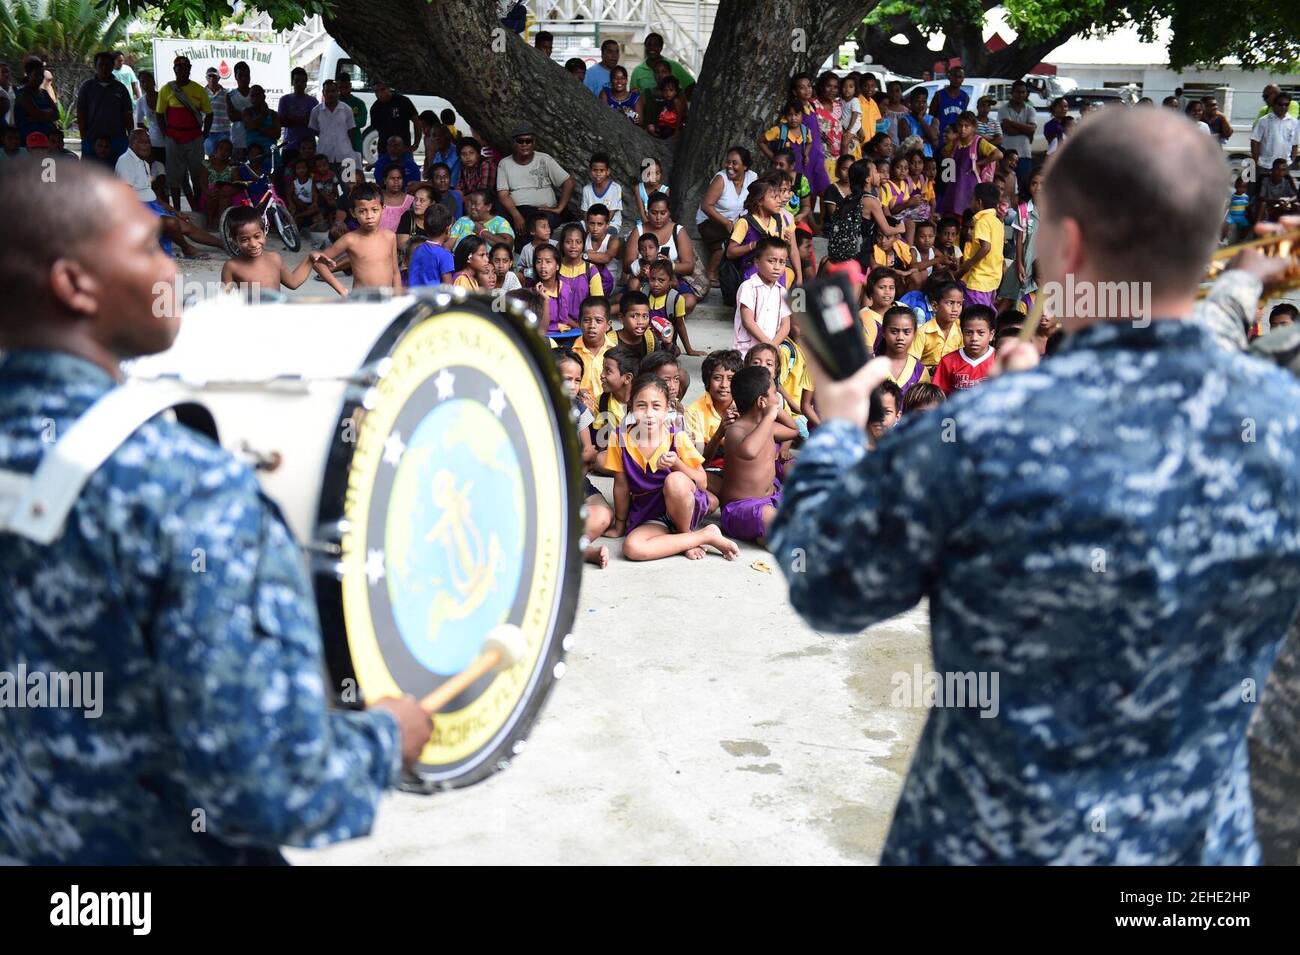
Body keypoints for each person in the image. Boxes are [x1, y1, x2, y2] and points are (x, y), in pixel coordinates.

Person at [772, 105, 1300, 865]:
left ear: (1071, 244)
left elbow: (823, 581)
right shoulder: (1281, 421)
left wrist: (842, 427)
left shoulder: (980, 434)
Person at [0, 157, 431, 863]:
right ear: (73, 284)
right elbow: (268, 783)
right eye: (147, 248)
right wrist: (386, 737)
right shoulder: (187, 491)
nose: (171, 271)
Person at [607, 374, 734, 562]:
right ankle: (703, 536)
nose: (649, 413)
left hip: (682, 505)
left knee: (675, 480)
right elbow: (621, 485)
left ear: (667, 409)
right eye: (641, 405)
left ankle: (686, 535)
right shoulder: (619, 438)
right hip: (651, 512)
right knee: (632, 548)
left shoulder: (677, 437)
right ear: (631, 407)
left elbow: (702, 481)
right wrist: (620, 524)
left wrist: (676, 464)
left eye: (656, 406)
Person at [115, 129, 223, 257]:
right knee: (171, 223)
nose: (147, 145)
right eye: (142, 142)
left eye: (148, 142)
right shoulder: (124, 161)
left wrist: (175, 211)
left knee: (186, 225)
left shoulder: (144, 163)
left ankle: (224, 244)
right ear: (132, 143)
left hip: (151, 205)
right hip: (137, 210)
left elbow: (152, 195)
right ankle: (187, 249)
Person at [552, 348, 614, 568]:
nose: (572, 385)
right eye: (566, 378)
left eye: (577, 380)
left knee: (603, 515)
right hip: (543, 483)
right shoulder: (537, 406)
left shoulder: (579, 409)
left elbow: (588, 451)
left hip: (575, 479)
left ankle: (577, 546)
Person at [720, 365, 794, 546]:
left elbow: (793, 430)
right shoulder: (736, 430)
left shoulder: (767, 426)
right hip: (740, 509)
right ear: (761, 402)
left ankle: (768, 535)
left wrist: (775, 410)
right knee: (772, 518)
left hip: (773, 498)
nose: (778, 399)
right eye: (775, 394)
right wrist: (770, 416)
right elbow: (749, 451)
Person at [312, 183, 401, 294]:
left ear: (383, 209)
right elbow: (317, 263)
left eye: (374, 210)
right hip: (361, 301)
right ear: (353, 213)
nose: (369, 216)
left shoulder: (390, 236)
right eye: (362, 211)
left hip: (386, 301)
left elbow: (395, 271)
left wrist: (398, 297)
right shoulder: (350, 239)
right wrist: (341, 289)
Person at [496, 125, 574, 246]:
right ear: (513, 143)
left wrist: (560, 208)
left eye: (529, 141)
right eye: (520, 141)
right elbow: (503, 194)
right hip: (518, 210)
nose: (525, 144)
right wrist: (516, 215)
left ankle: (531, 255)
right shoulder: (505, 163)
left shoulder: (544, 159)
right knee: (500, 213)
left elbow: (568, 182)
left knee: (540, 224)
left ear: (534, 143)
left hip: (543, 210)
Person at [156, 56, 212, 212]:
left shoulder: (199, 90)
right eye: (179, 68)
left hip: (194, 138)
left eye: (186, 68)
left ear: (190, 69)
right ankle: (177, 210)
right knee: (174, 177)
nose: (183, 71)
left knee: (197, 175)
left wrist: (204, 134)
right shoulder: (166, 89)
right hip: (173, 138)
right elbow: (159, 114)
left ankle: (199, 210)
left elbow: (209, 113)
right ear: (175, 70)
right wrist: (165, 134)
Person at [697, 146, 757, 288]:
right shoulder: (721, 179)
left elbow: (755, 200)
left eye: (734, 163)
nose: (729, 166)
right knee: (728, 242)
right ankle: (710, 273)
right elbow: (706, 206)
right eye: (728, 162)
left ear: (745, 166)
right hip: (710, 221)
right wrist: (725, 222)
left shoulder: (752, 178)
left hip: (736, 221)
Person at [220, 205, 317, 292]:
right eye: (244, 240)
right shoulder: (231, 266)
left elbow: (293, 282)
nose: (253, 244)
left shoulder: (274, 258)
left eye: (257, 236)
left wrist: (309, 260)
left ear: (264, 232)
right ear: (234, 240)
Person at [685, 349, 742, 489]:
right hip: (710, 465)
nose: (724, 385)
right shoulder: (693, 411)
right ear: (707, 380)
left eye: (730, 379)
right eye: (717, 378)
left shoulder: (745, 405)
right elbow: (698, 461)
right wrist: (719, 433)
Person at [734, 237, 791, 355]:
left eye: (782, 262)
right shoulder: (748, 287)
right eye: (771, 261)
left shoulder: (782, 292)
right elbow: (748, 321)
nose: (777, 267)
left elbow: (786, 324)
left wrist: (774, 344)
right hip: (747, 351)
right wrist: (770, 345)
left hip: (770, 352)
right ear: (757, 262)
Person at [76, 51, 132, 165]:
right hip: (92, 139)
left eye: (107, 65)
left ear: (112, 66)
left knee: (117, 175)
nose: (104, 67)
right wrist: (84, 137)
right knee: (90, 175)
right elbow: (81, 113)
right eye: (101, 64)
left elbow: (128, 114)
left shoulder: (120, 88)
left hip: (117, 139)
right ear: (95, 66)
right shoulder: (87, 87)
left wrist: (131, 137)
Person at [955, 183, 1005, 308]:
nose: (970, 202)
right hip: (992, 279)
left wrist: (970, 263)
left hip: (979, 280)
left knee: (977, 315)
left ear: (979, 202)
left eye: (972, 199)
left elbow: (986, 247)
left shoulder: (982, 221)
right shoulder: (997, 222)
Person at [930, 303, 995, 394]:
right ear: (962, 333)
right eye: (968, 333)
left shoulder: (1000, 360)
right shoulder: (948, 361)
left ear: (991, 335)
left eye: (980, 333)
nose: (974, 338)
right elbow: (938, 397)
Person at [1251, 93, 1298, 193]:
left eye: (1286, 104)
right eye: (1280, 104)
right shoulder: (1264, 121)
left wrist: (1291, 161)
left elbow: (1295, 143)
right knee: (1260, 194)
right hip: (1265, 165)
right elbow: (1255, 141)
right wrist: (1257, 161)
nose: (1283, 107)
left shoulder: (1294, 122)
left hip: (1283, 167)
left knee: (1281, 195)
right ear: (1274, 105)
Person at [628, 32, 695, 99]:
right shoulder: (637, 71)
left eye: (656, 45)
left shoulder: (673, 65)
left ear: (661, 47)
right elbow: (633, 96)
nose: (652, 48)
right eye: (649, 44)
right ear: (645, 46)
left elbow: (692, 86)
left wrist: (680, 101)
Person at [309, 79, 356, 169]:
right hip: (324, 155)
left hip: (345, 155)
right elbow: (314, 130)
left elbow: (351, 131)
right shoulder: (316, 111)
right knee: (326, 183)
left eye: (333, 91)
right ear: (323, 92)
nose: (330, 94)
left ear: (338, 92)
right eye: (328, 91)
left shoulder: (347, 109)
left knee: (348, 182)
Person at [407, 204, 456, 286]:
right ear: (448, 229)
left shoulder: (417, 250)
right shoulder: (445, 255)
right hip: (433, 298)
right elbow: (448, 288)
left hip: (415, 296)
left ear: (425, 226)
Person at [998, 80, 1037, 184]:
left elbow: (1032, 129)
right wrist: (1026, 130)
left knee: (1024, 184)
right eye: (1017, 92)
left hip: (1025, 153)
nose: (1020, 95)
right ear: (1012, 93)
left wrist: (1012, 123)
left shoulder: (1030, 110)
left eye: (1023, 92)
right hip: (1007, 153)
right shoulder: (1003, 109)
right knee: (1006, 182)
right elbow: (1007, 129)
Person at [450, 189, 515, 248]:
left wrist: (483, 232)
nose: (472, 207)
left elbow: (508, 245)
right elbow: (448, 245)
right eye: (472, 203)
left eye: (476, 204)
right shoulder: (463, 220)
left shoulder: (500, 222)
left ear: (488, 207)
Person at [14, 58, 57, 139]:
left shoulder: (44, 92)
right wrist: (49, 112)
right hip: (29, 138)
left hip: (47, 138)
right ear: (28, 74)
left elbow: (56, 114)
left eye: (42, 75)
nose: (40, 78)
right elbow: (37, 114)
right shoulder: (22, 94)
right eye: (36, 75)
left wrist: (41, 115)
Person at [580, 152, 623, 233]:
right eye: (595, 170)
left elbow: (611, 212)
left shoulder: (615, 188)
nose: (598, 174)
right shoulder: (586, 189)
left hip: (609, 224)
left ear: (608, 171)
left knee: (606, 236)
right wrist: (589, 227)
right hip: (591, 224)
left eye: (602, 170)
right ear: (590, 171)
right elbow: (585, 212)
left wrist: (599, 228)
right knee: (575, 230)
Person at [369, 81, 418, 150]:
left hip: (404, 148)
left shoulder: (403, 101)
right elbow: (375, 128)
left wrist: (416, 143)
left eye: (383, 90)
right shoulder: (375, 108)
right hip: (384, 149)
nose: (380, 94)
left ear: (389, 89)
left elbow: (416, 122)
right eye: (376, 91)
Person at [583, 204, 621, 291]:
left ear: (607, 225)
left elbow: (605, 258)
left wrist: (584, 255)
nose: (595, 228)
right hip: (587, 279)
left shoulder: (612, 241)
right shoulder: (583, 237)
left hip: (607, 283)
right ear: (587, 223)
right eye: (592, 223)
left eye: (600, 224)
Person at [928, 65, 969, 142]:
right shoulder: (939, 95)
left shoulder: (965, 97)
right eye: (954, 76)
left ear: (963, 79)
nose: (956, 79)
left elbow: (963, 119)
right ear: (949, 77)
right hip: (940, 138)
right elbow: (930, 117)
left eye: (959, 76)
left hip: (956, 139)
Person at [203, 67, 231, 158]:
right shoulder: (201, 93)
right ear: (206, 78)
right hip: (208, 132)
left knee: (224, 157)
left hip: (224, 132)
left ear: (219, 78)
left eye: (214, 76)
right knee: (211, 158)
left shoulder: (226, 93)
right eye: (209, 76)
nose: (212, 79)